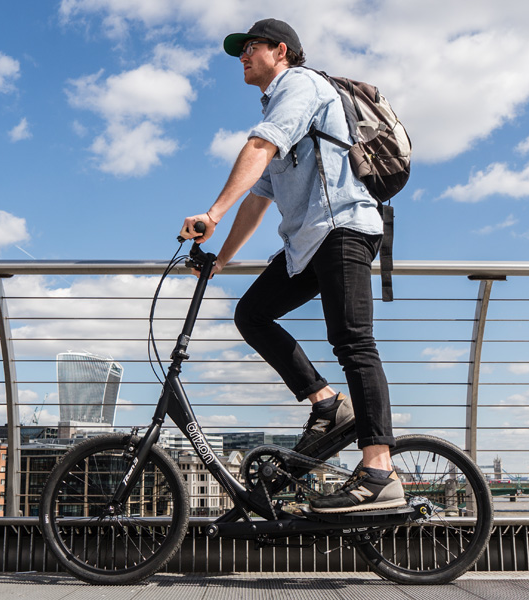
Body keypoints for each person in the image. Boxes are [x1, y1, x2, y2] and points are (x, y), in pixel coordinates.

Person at [180, 18, 403, 514]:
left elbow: (260, 147)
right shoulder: (278, 102)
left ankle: (379, 471)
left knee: (353, 342)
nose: (243, 55)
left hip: (343, 228)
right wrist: (221, 259)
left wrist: (211, 213)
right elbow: (258, 199)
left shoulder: (300, 86)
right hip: (308, 242)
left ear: (281, 51)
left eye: (251, 47)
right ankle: (326, 402)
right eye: (240, 50)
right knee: (251, 313)